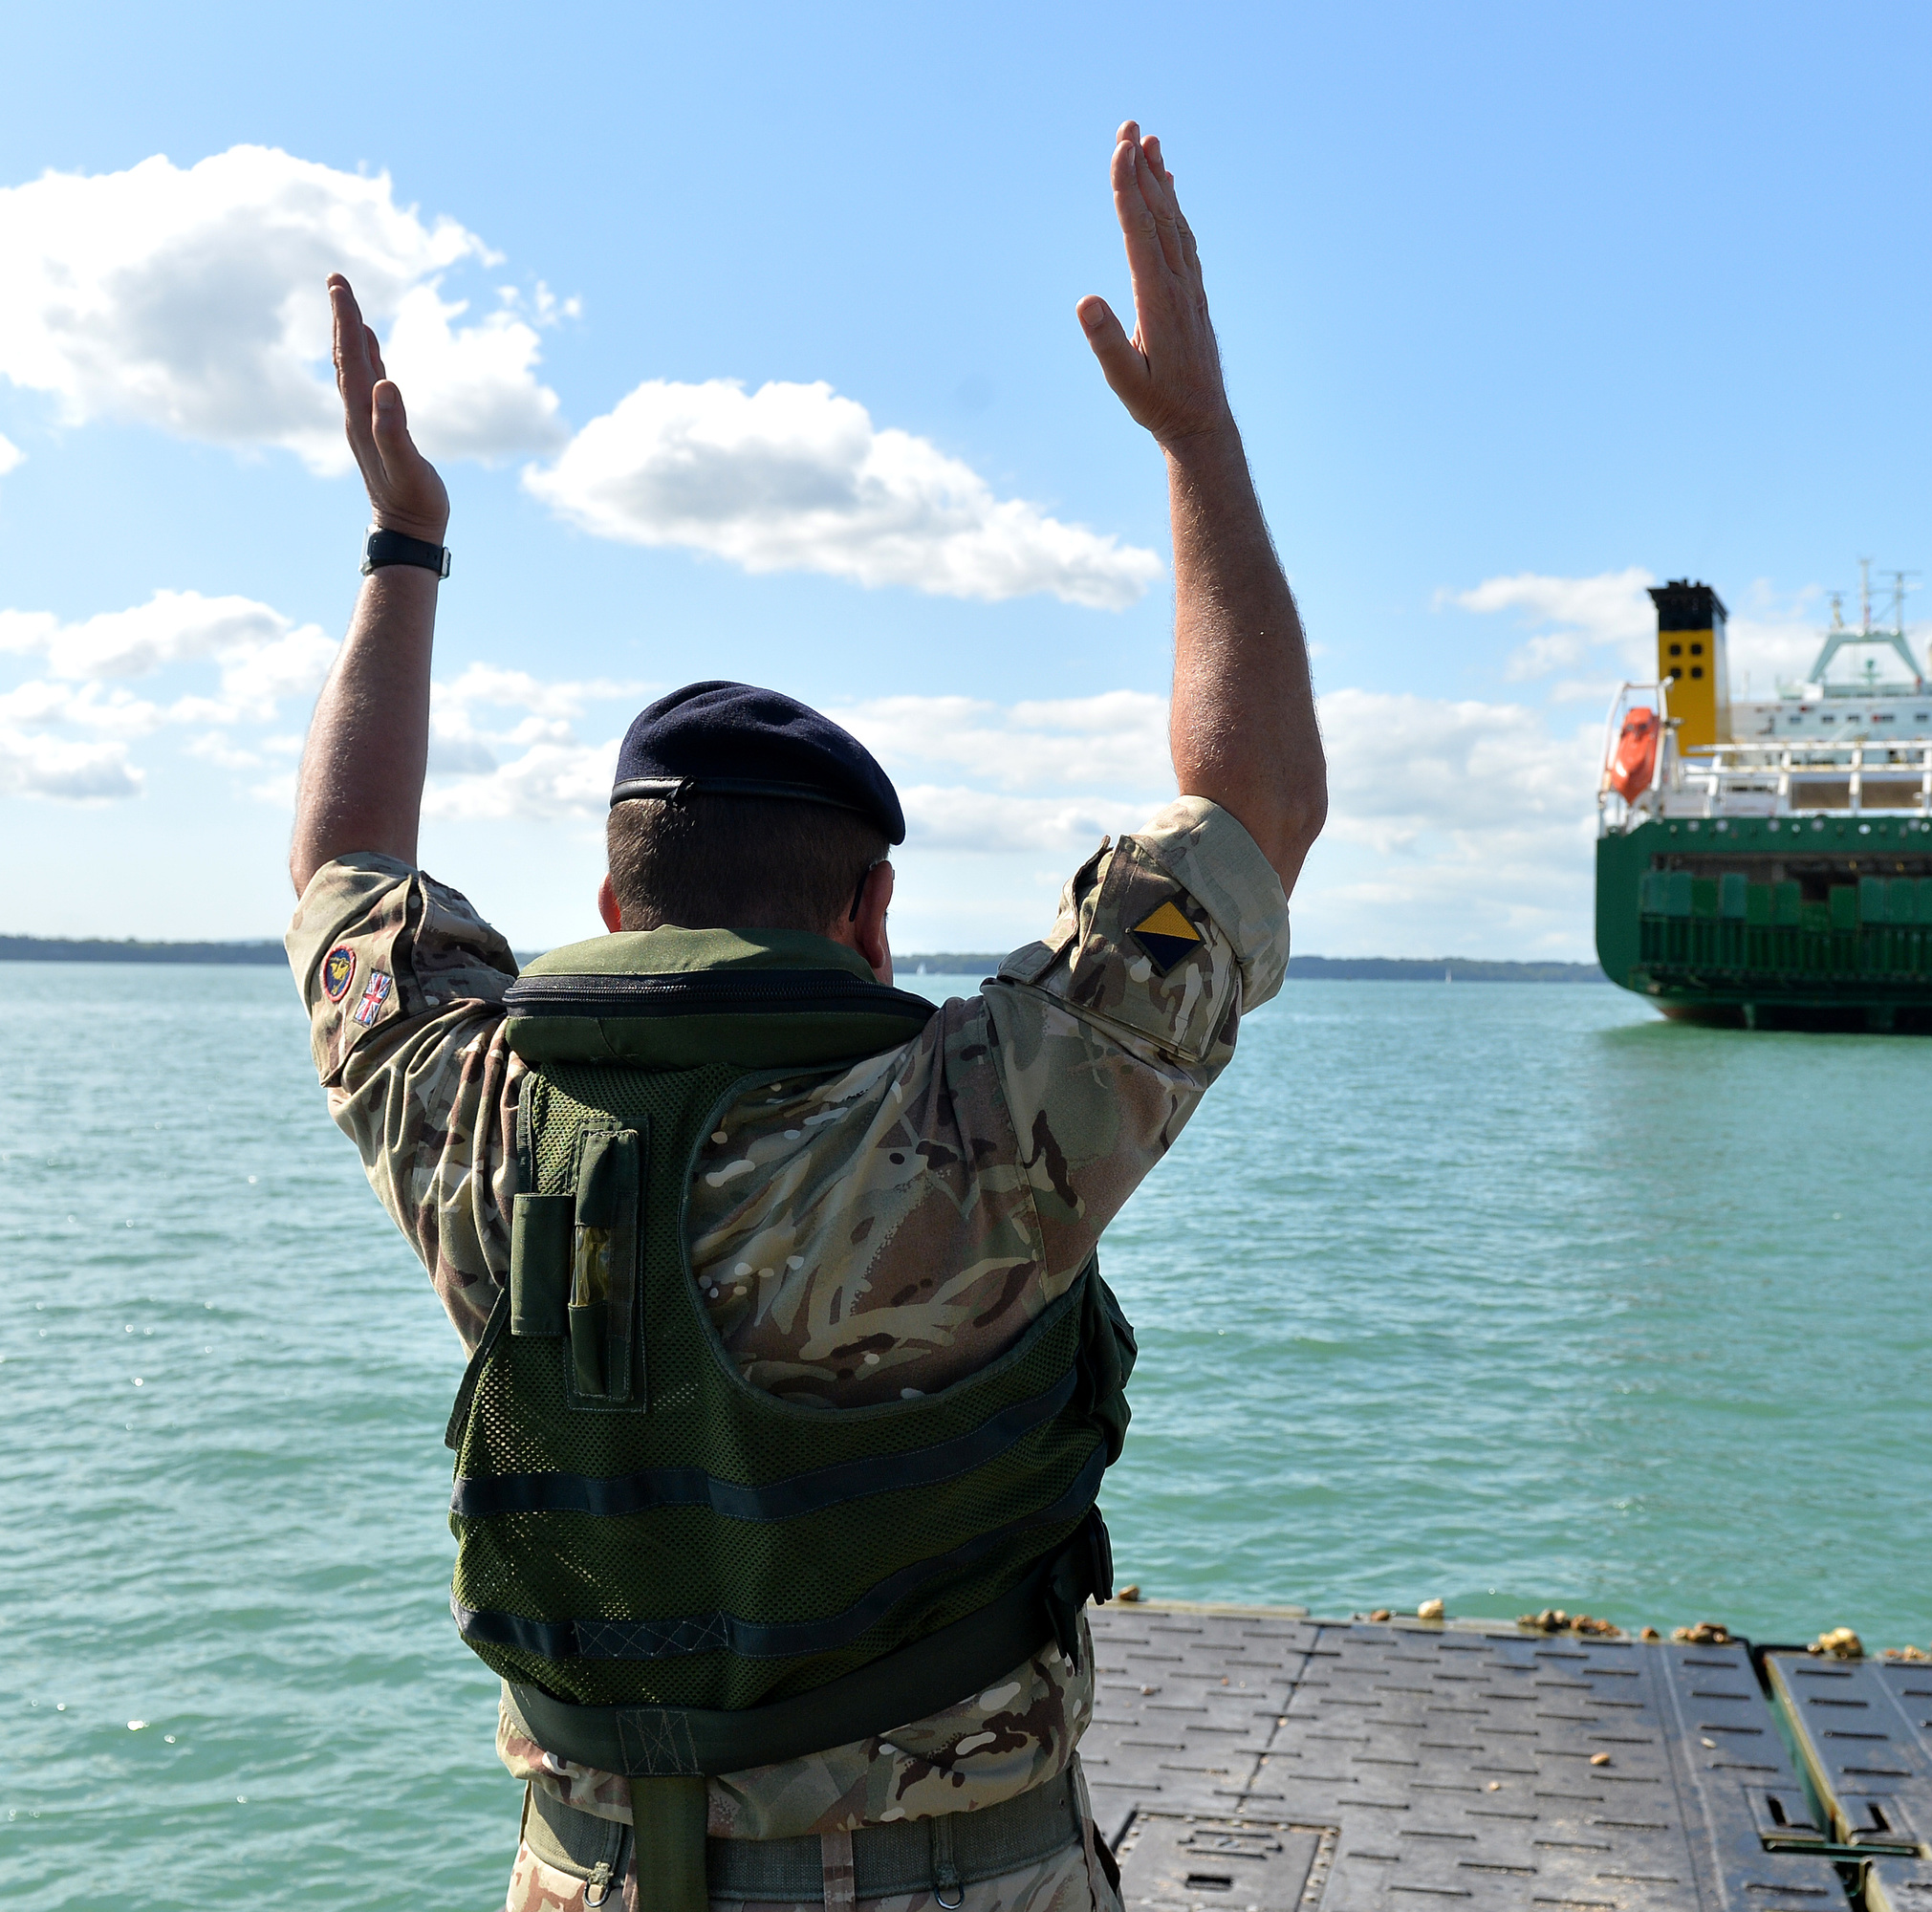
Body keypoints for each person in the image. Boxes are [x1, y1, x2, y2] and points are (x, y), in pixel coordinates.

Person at [282, 123, 1324, 1912]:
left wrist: (404, 546)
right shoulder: (981, 1123)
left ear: (616, 910)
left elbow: (340, 880)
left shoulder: (470, 1113)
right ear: (870, 915)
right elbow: (1251, 810)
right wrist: (1196, 437)